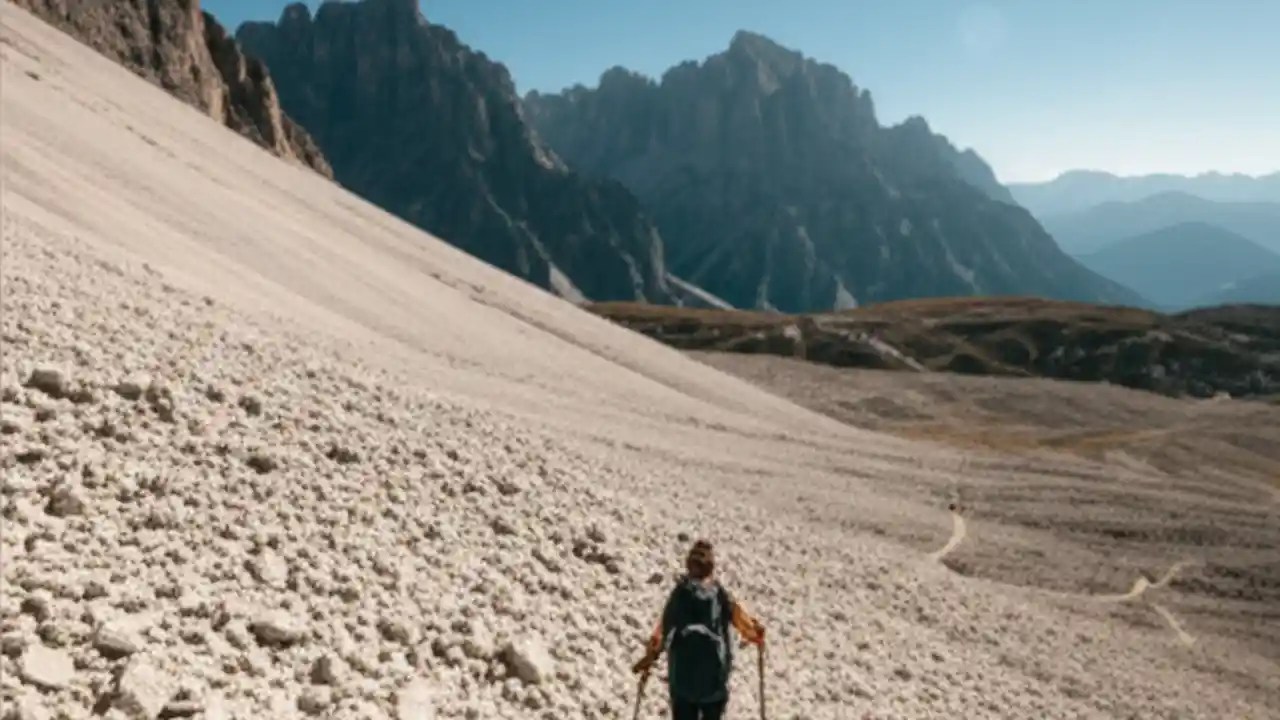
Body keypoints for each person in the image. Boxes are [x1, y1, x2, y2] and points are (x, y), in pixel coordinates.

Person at [631, 539, 766, 720]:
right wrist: (756, 634)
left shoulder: (680, 593)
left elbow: (662, 630)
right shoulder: (720, 594)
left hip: (682, 682)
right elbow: (745, 625)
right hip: (714, 683)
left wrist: (650, 656)